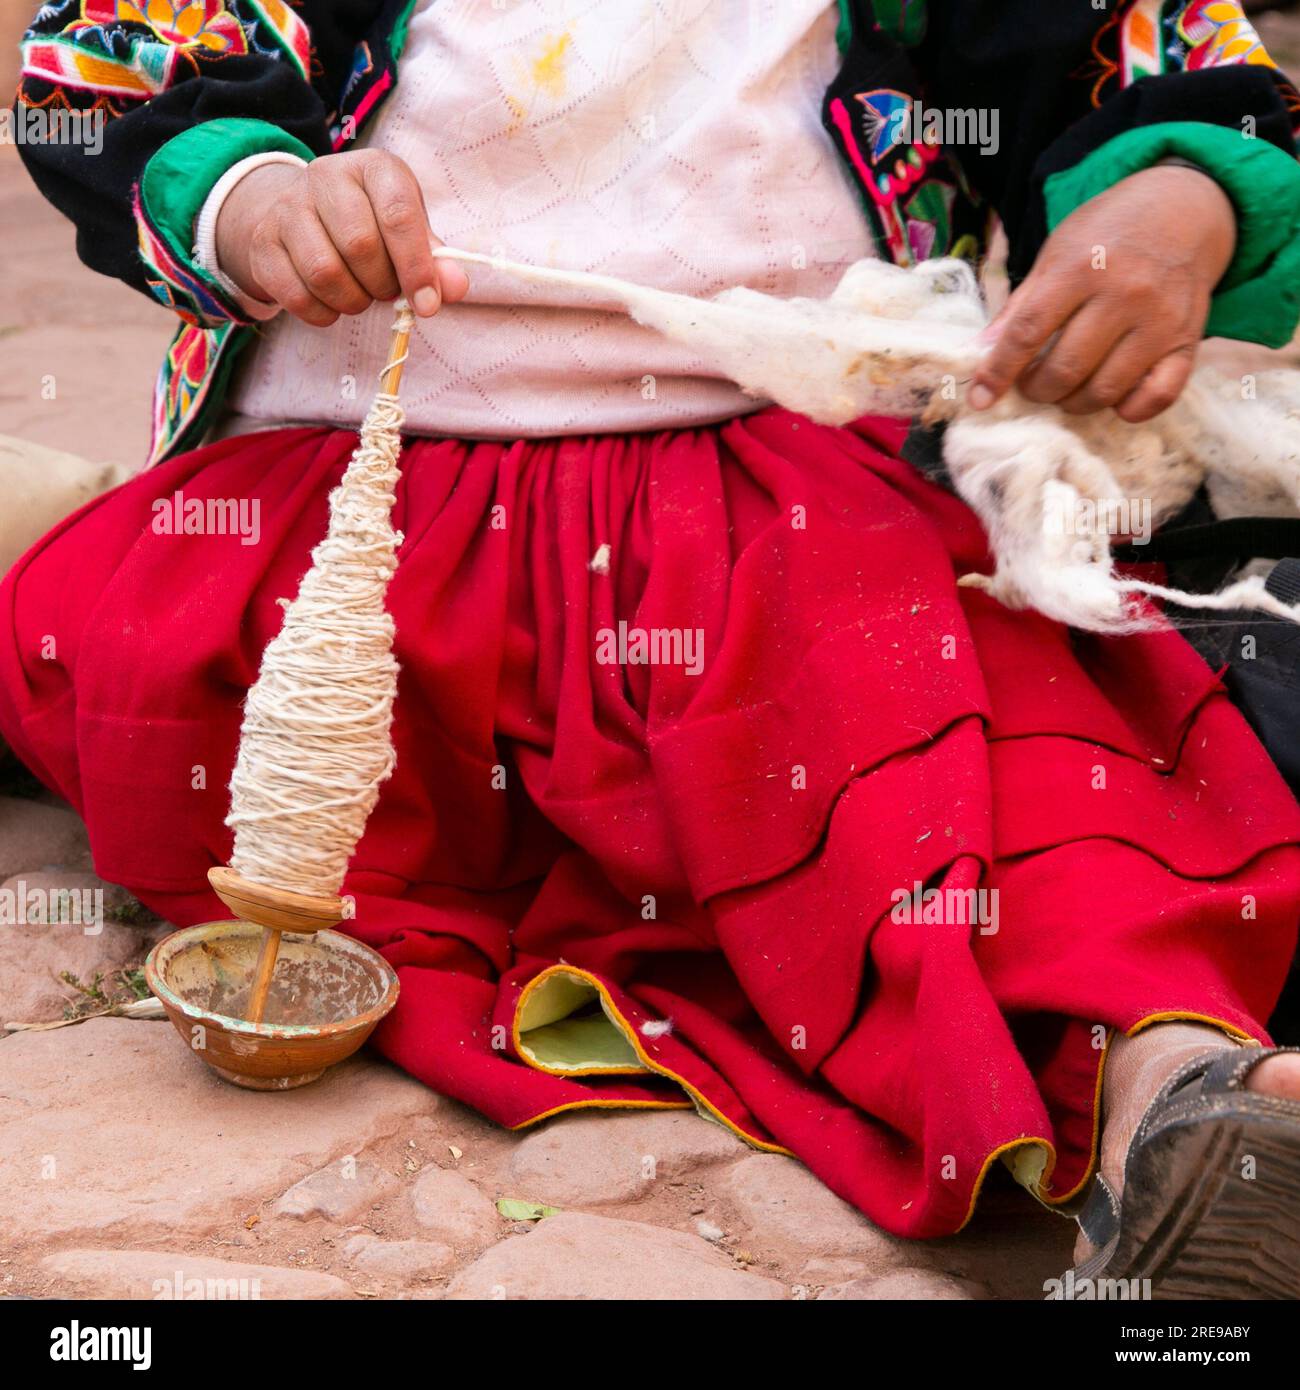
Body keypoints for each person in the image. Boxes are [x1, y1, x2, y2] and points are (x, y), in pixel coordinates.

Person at [5, 0, 1300, 1294]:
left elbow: (1145, 56)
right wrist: (250, 193)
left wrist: (1180, 199)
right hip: (357, 517)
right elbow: (105, 63)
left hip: (781, 505)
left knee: (942, 746)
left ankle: (1179, 1108)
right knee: (124, 663)